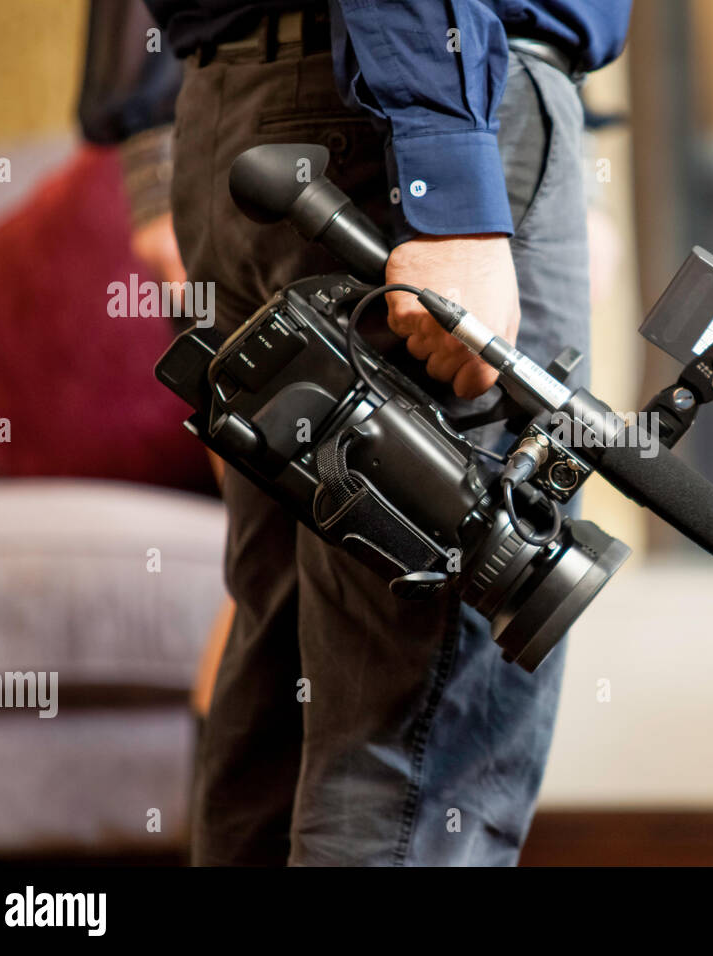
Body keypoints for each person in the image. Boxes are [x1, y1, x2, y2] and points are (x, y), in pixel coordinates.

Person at [84, 0, 631, 865]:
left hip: (255, 104)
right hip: (399, 106)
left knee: (287, 700)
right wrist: (450, 186)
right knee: (417, 724)